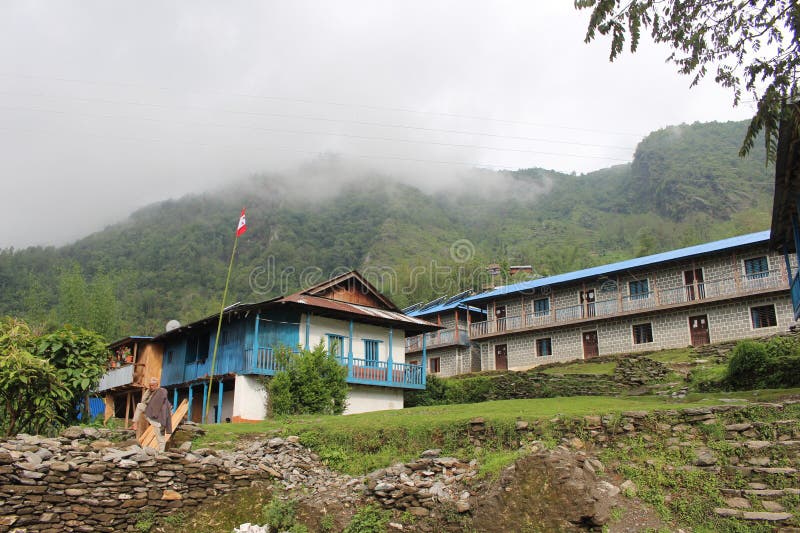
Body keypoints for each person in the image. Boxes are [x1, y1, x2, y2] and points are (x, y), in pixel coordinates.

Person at [131, 378, 173, 452]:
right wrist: (148, 391)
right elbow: (143, 401)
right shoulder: (150, 392)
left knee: (159, 434)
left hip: (160, 416)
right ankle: (135, 423)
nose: (151, 387)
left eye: (153, 385)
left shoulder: (161, 391)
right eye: (150, 385)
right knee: (140, 405)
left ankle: (161, 452)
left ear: (157, 385)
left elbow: (161, 400)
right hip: (150, 411)